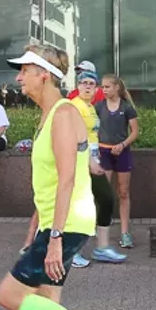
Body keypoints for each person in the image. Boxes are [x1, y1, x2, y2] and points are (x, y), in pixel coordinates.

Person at [0, 44, 119, 310]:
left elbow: (67, 179)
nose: (19, 77)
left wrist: (56, 237)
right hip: (57, 223)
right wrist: (39, 228)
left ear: (44, 74)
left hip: (68, 224)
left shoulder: (63, 113)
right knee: (46, 307)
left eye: (25, 71)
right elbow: (49, 183)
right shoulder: (50, 115)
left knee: (8, 295)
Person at [65, 67, 127, 268]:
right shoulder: (74, 106)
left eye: (92, 84)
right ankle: (72, 251)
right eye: (84, 83)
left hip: (93, 159)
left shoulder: (90, 106)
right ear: (78, 86)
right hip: (80, 162)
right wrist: (88, 161)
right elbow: (73, 137)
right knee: (80, 205)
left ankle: (101, 247)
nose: (88, 87)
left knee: (106, 199)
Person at [96, 74, 140, 249]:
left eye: (107, 87)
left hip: (122, 152)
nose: (104, 90)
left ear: (116, 88)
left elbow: (135, 131)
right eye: (103, 87)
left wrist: (122, 145)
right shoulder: (98, 106)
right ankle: (101, 229)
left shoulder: (127, 107)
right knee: (104, 194)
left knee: (123, 192)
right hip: (103, 151)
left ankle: (124, 232)